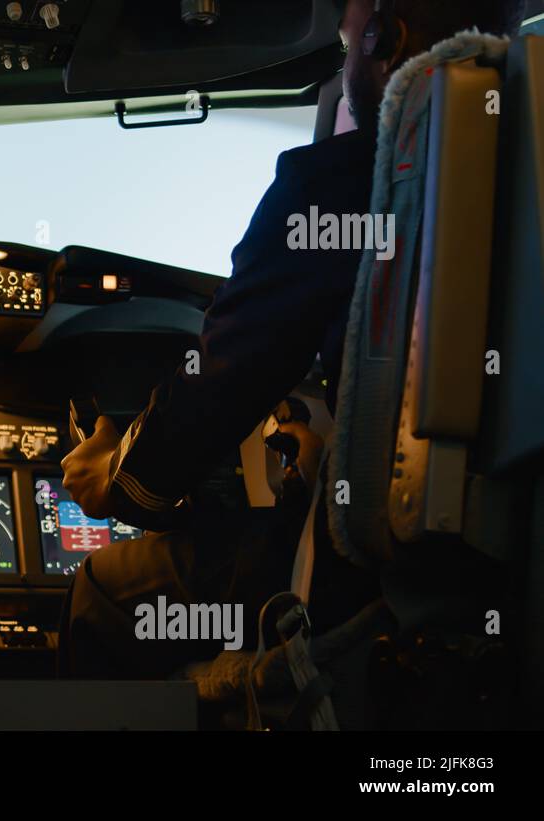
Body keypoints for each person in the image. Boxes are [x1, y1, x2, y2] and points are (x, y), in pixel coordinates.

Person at [58, 0, 525, 678]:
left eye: (345, 51)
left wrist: (118, 479)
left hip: (370, 584)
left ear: (382, 38)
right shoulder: (522, 174)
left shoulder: (340, 184)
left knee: (105, 590)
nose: (348, 66)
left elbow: (219, 385)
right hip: (503, 573)